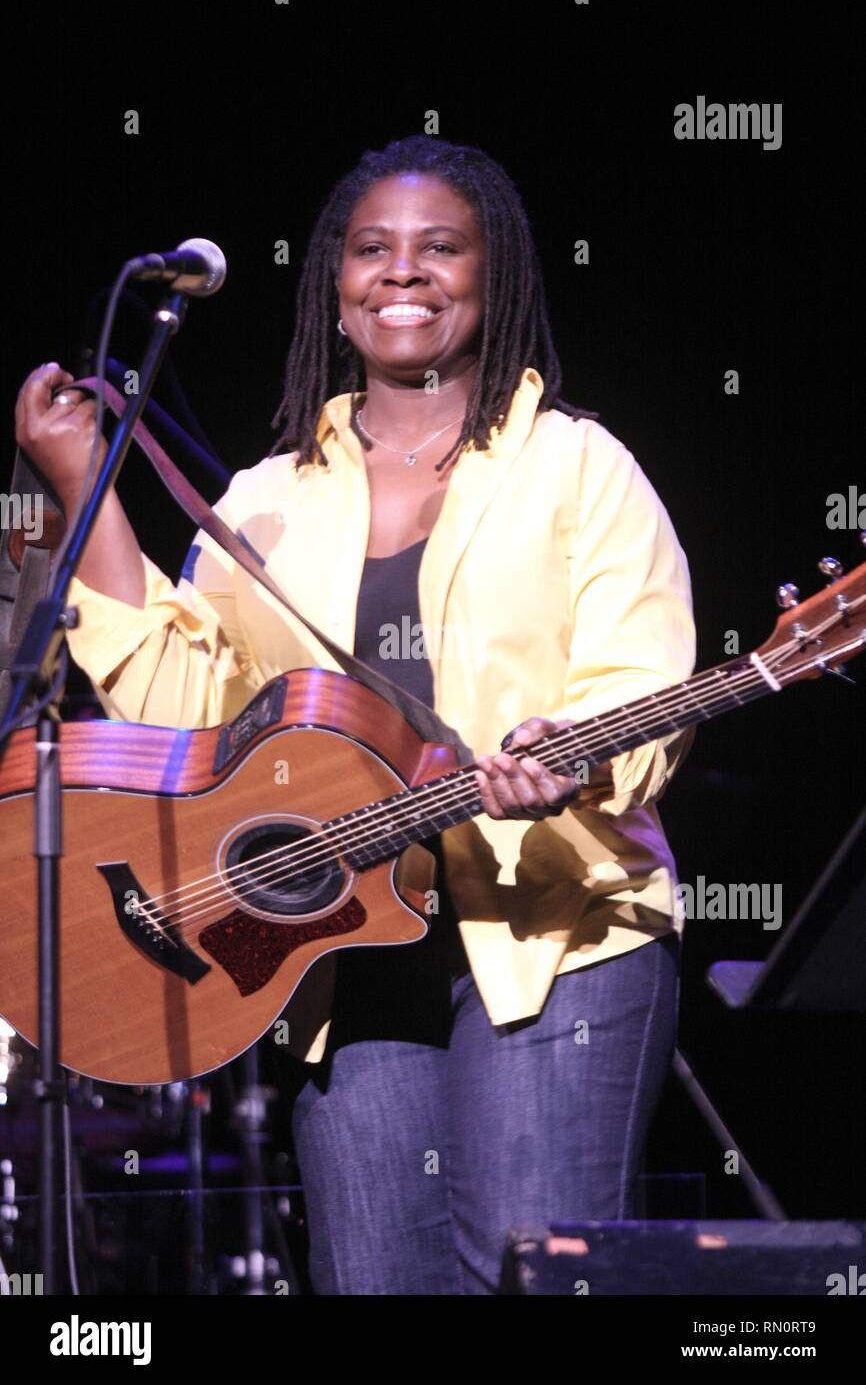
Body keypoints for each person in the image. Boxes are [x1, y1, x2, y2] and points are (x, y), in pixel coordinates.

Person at [14, 135, 696, 1295]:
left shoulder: (578, 468)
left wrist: (569, 763)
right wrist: (82, 478)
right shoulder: (271, 497)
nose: (404, 272)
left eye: (441, 249)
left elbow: (641, 681)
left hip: (554, 932)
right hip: (344, 946)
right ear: (334, 286)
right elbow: (194, 708)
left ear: (496, 279)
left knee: (527, 1275)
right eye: (372, 249)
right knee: (375, 1278)